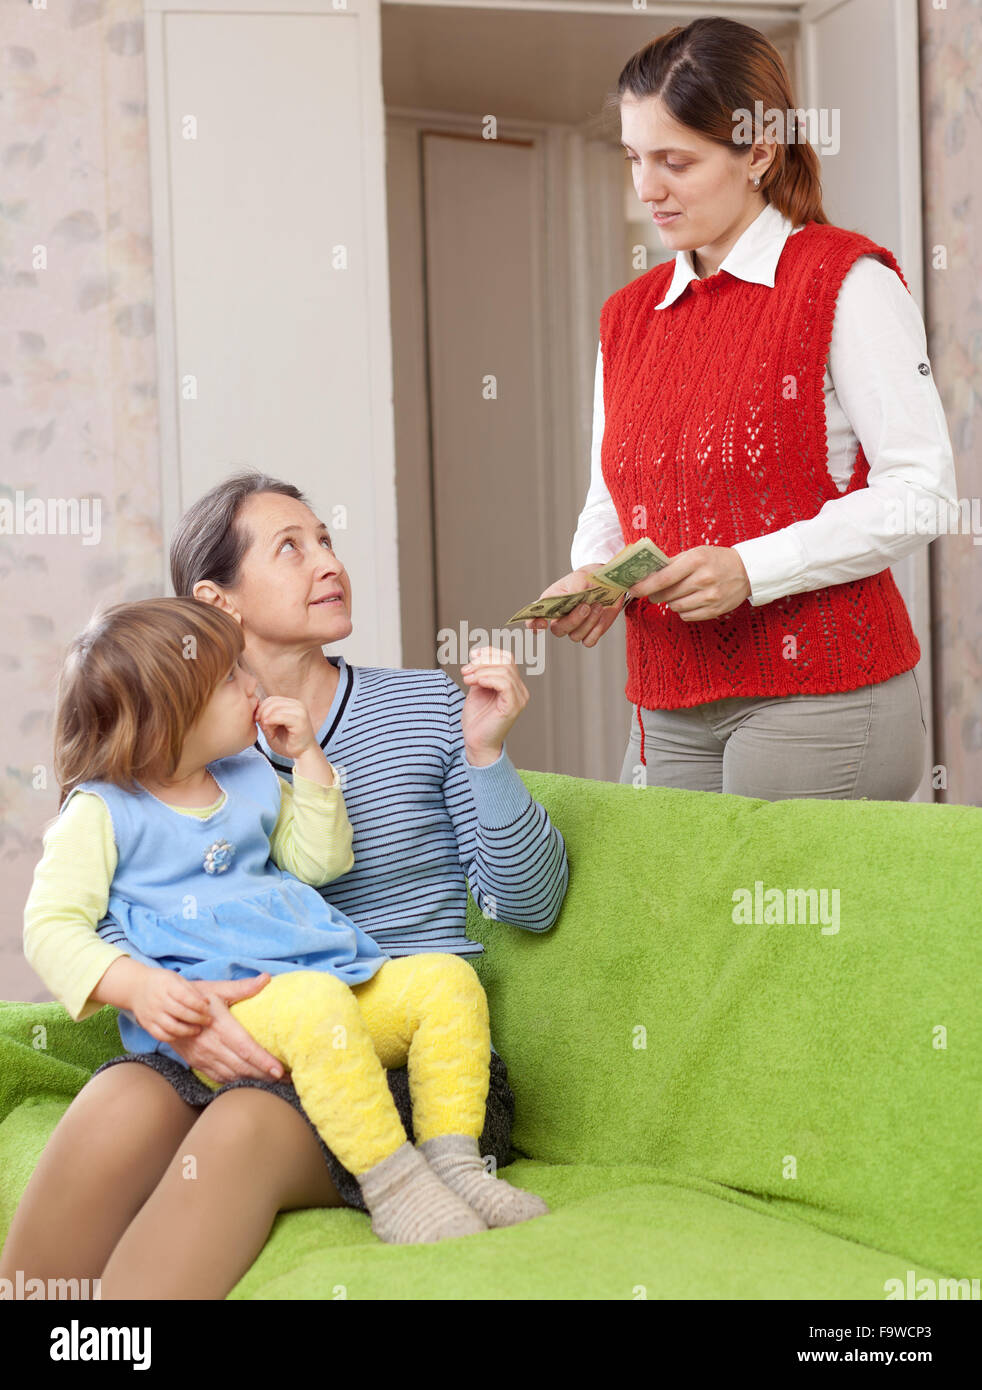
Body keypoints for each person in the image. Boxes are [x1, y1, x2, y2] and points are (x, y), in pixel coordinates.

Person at [2, 475, 568, 1299]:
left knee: (240, 1128)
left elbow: (532, 901)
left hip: (396, 1050)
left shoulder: (423, 706)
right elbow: (111, 915)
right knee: (118, 1100)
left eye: (327, 540)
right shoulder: (177, 764)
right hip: (229, 1029)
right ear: (216, 602)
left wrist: (485, 753)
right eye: (290, 547)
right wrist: (189, 1017)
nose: (327, 562)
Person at [530, 17, 957, 801]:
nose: (646, 188)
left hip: (818, 695)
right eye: (633, 157)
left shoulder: (843, 281)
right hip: (664, 703)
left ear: (758, 153)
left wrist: (750, 570)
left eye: (675, 161)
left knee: (776, 926)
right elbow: (611, 493)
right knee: (673, 922)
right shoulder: (627, 316)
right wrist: (595, 570)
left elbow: (921, 491)